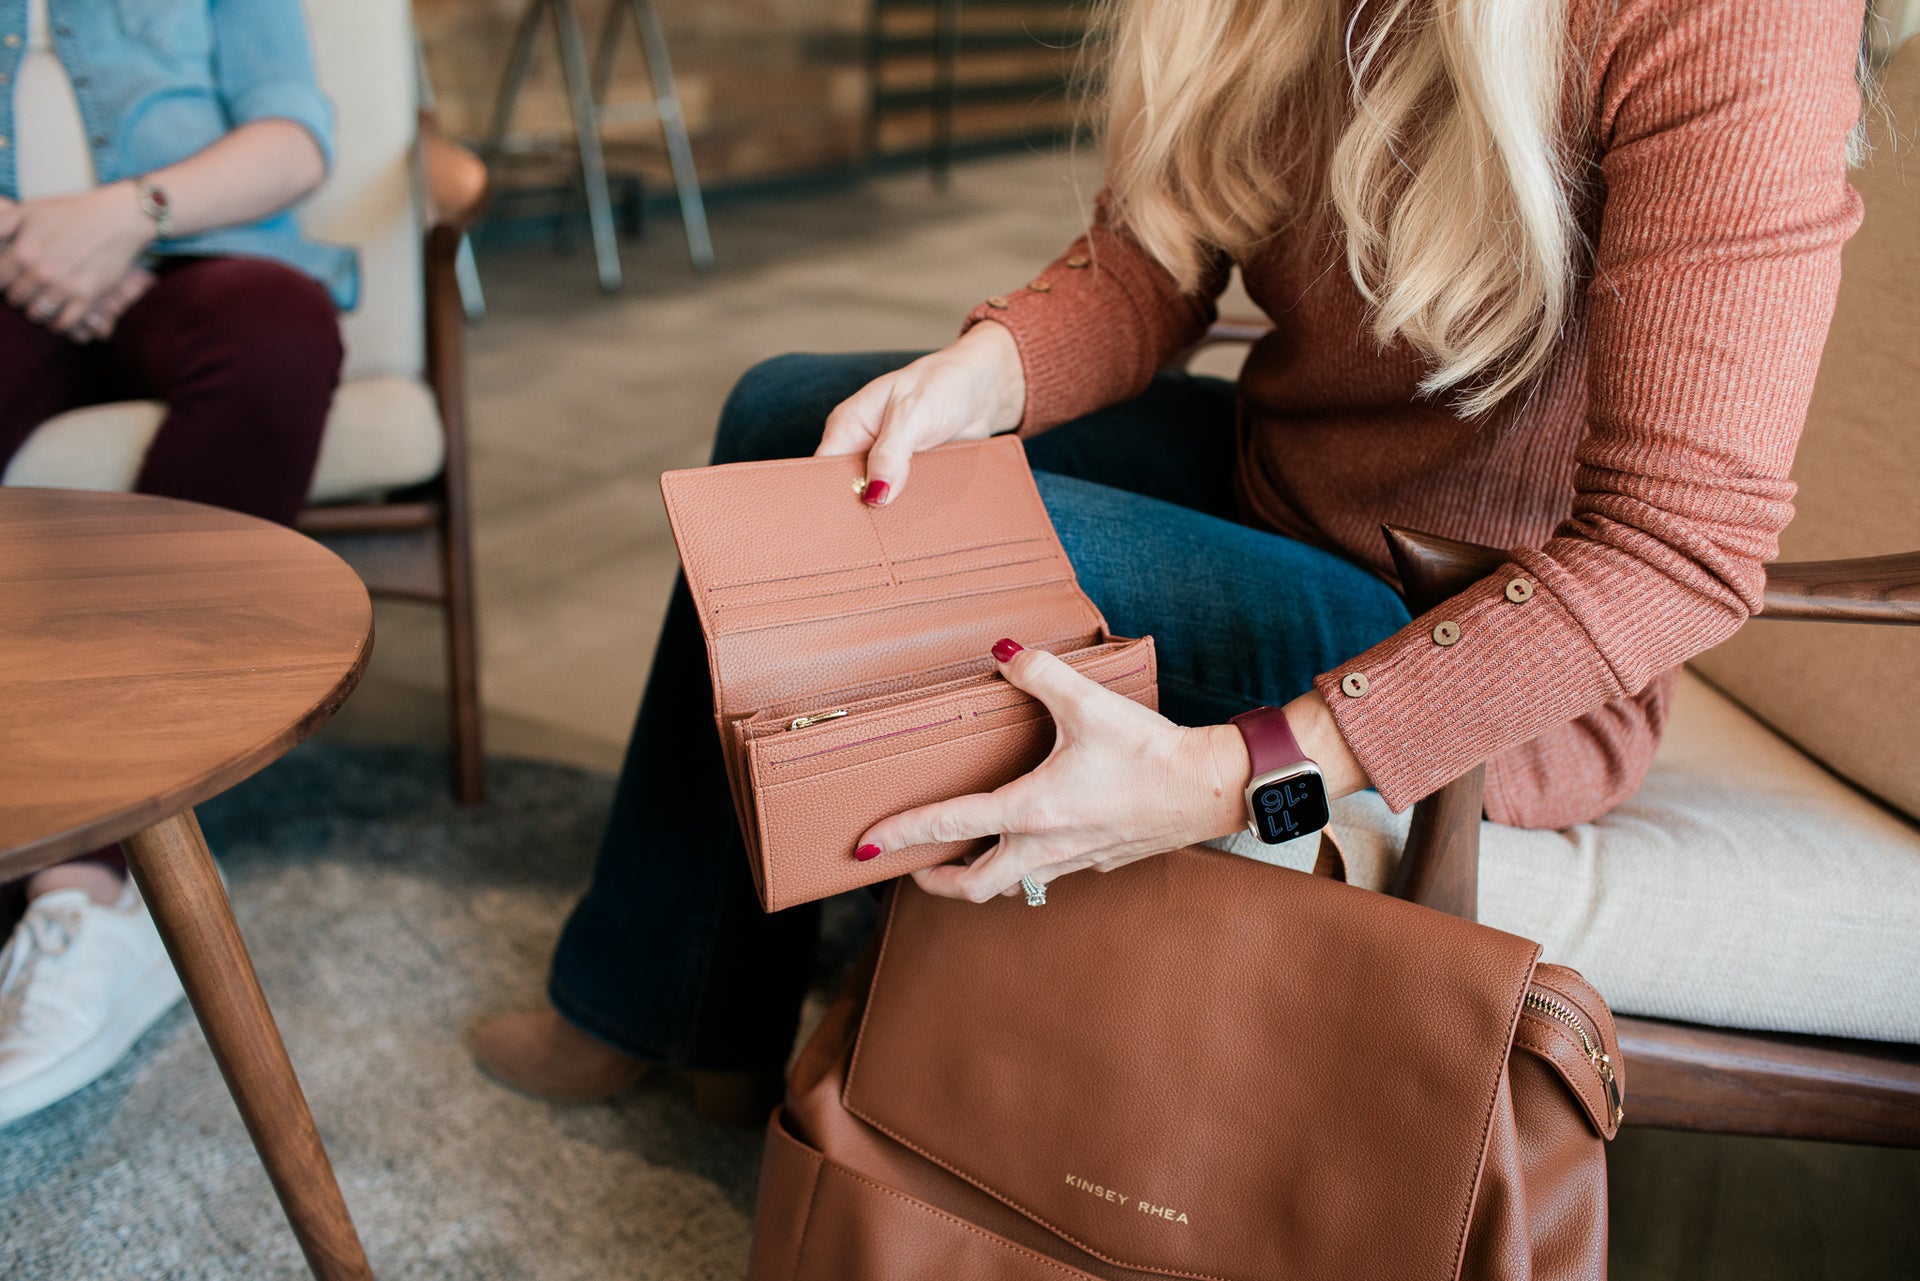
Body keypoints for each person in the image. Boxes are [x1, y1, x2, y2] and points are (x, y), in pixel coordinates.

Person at [471, 0, 1869, 1113]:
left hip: (1468, 632)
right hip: (1279, 486)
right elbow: (1156, 259)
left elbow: (1678, 547)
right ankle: (687, 1005)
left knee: (886, 555)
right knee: (790, 424)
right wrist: (980, 374)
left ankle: (707, 1014)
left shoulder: (1728, 19)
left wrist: (1228, 775)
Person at [0, 0, 352, 1128]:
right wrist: (28, 243)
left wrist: (121, 217)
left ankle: (94, 876)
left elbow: (291, 137)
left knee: (280, 331)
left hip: (195, 261)